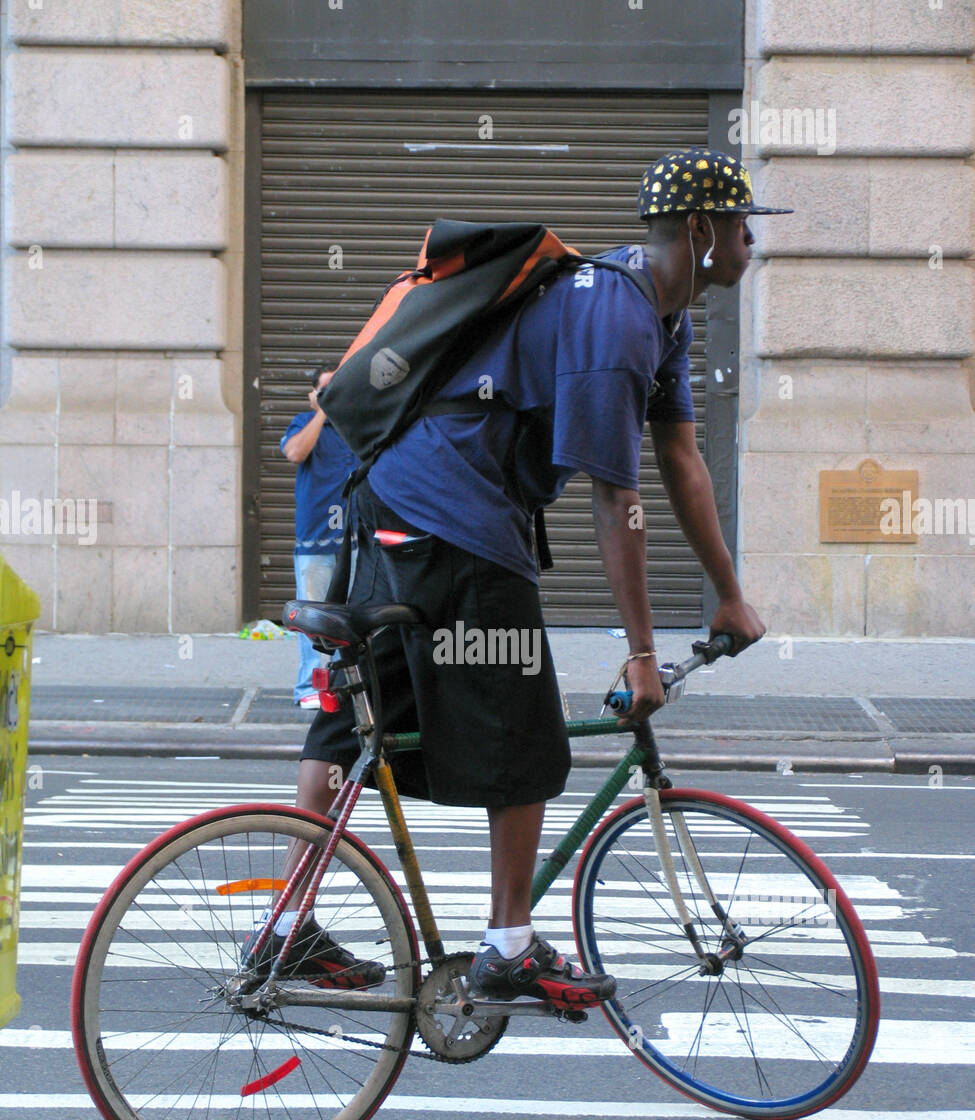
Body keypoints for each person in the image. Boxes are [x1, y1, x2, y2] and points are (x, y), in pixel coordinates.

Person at [253, 148, 788, 1003]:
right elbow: (616, 505)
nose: (751, 242)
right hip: (450, 516)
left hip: (396, 504)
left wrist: (727, 591)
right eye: (740, 224)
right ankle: (508, 947)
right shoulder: (614, 327)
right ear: (699, 231)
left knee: (356, 725)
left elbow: (681, 459)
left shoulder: (659, 314)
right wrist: (640, 653)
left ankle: (285, 932)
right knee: (523, 729)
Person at [280, 366, 359, 707]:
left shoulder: (358, 425)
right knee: (313, 614)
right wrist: (322, 412)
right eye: (324, 390)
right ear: (312, 396)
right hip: (315, 537)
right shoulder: (304, 422)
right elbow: (295, 453)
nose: (331, 394)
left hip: (355, 537)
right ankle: (310, 688)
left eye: (336, 388)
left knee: (355, 612)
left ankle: (349, 684)